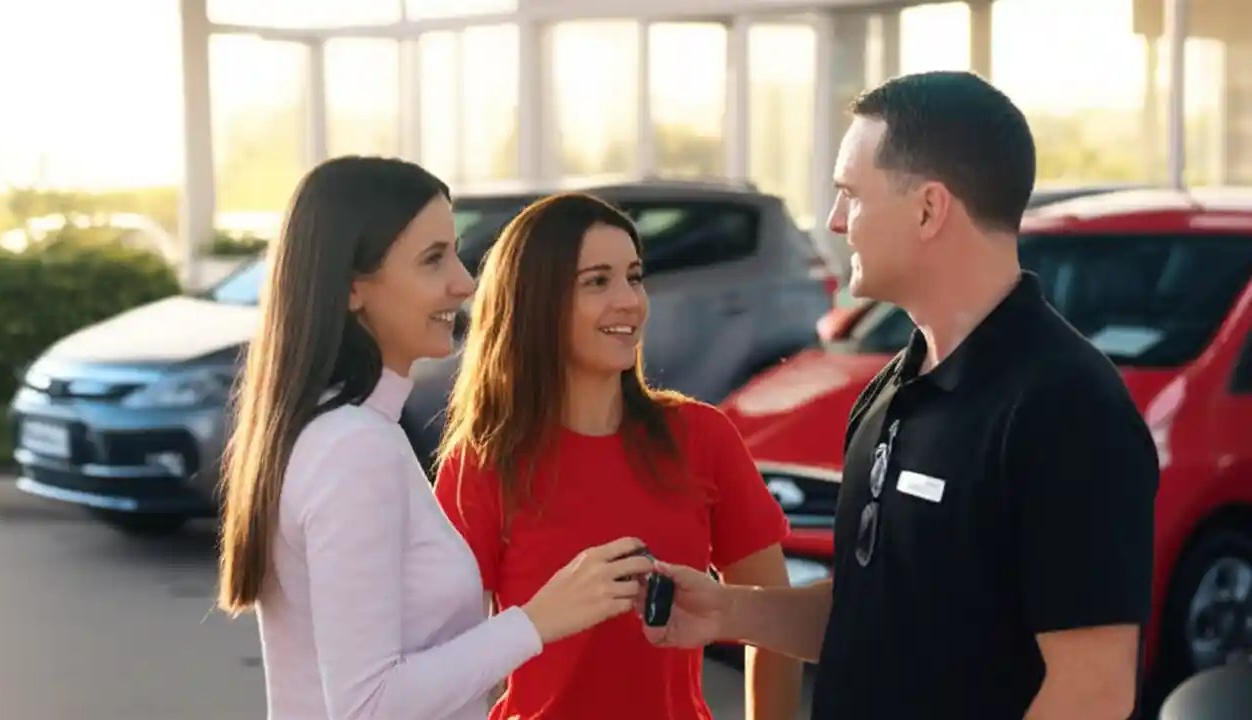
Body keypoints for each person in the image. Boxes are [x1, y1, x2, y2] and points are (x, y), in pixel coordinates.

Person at [640, 71, 1160, 720]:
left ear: (928, 209)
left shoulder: (1066, 409)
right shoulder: (891, 390)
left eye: (850, 196)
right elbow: (873, 610)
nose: (833, 221)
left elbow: (1093, 691)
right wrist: (727, 610)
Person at [215, 156, 657, 720]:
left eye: (453, 252)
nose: (465, 282)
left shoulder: (353, 431)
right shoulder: (353, 448)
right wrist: (540, 620)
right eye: (432, 260)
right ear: (353, 287)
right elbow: (369, 706)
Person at [432, 192, 802, 720]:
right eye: (597, 281)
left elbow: (775, 617)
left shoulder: (701, 435)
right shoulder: (482, 462)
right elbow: (450, 664)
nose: (629, 299)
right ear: (537, 302)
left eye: (634, 275)